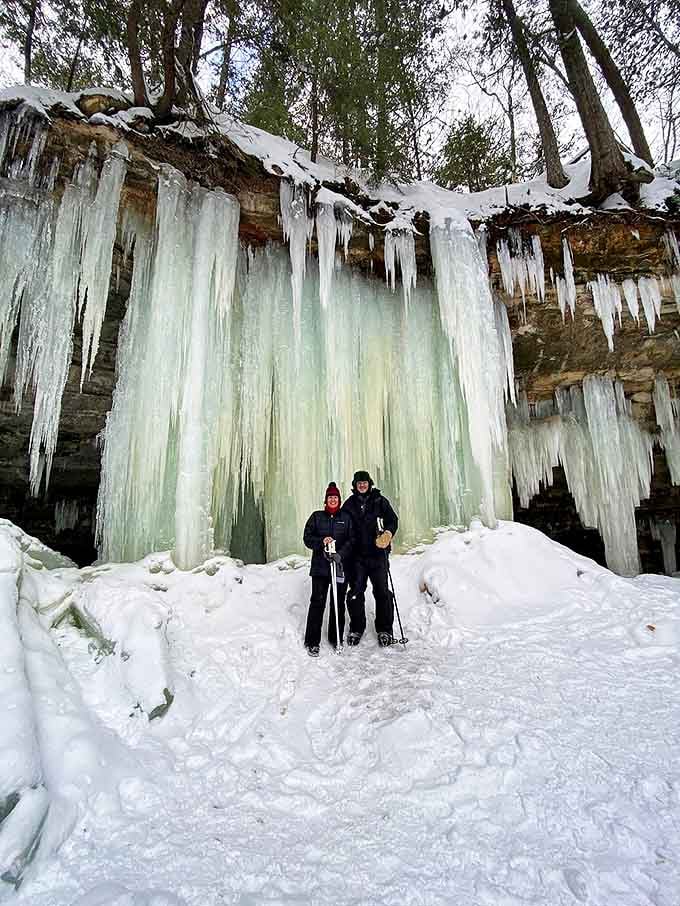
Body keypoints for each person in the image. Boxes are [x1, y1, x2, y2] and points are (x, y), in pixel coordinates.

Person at [340, 470, 398, 648]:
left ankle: (385, 630)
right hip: (357, 558)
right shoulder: (349, 505)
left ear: (369, 483)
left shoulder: (380, 501)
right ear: (355, 486)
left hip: (378, 555)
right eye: (359, 483)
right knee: (356, 593)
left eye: (365, 482)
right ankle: (357, 628)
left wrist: (387, 534)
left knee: (382, 592)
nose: (362, 485)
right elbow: (342, 526)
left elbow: (392, 520)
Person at [302, 482, 354, 657]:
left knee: (337, 603)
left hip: (339, 567)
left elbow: (351, 540)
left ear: (339, 500)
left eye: (335, 497)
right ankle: (312, 641)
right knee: (317, 603)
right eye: (330, 497)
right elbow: (307, 538)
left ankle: (335, 637)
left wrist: (341, 554)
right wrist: (321, 541)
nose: (333, 500)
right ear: (325, 501)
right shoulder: (316, 517)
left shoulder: (346, 518)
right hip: (320, 568)